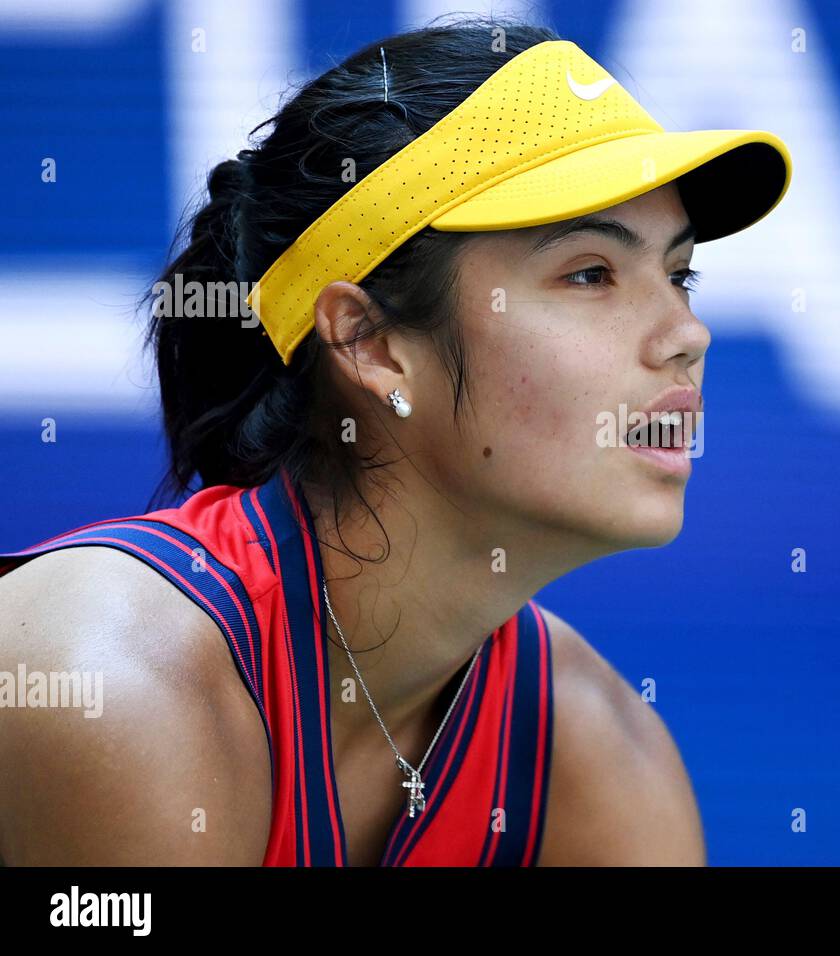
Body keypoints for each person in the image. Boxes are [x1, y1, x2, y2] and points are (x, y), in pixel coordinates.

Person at [0, 15, 791, 866]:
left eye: (680, 275)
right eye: (591, 273)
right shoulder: (111, 684)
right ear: (368, 343)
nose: (686, 334)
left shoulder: (597, 756)